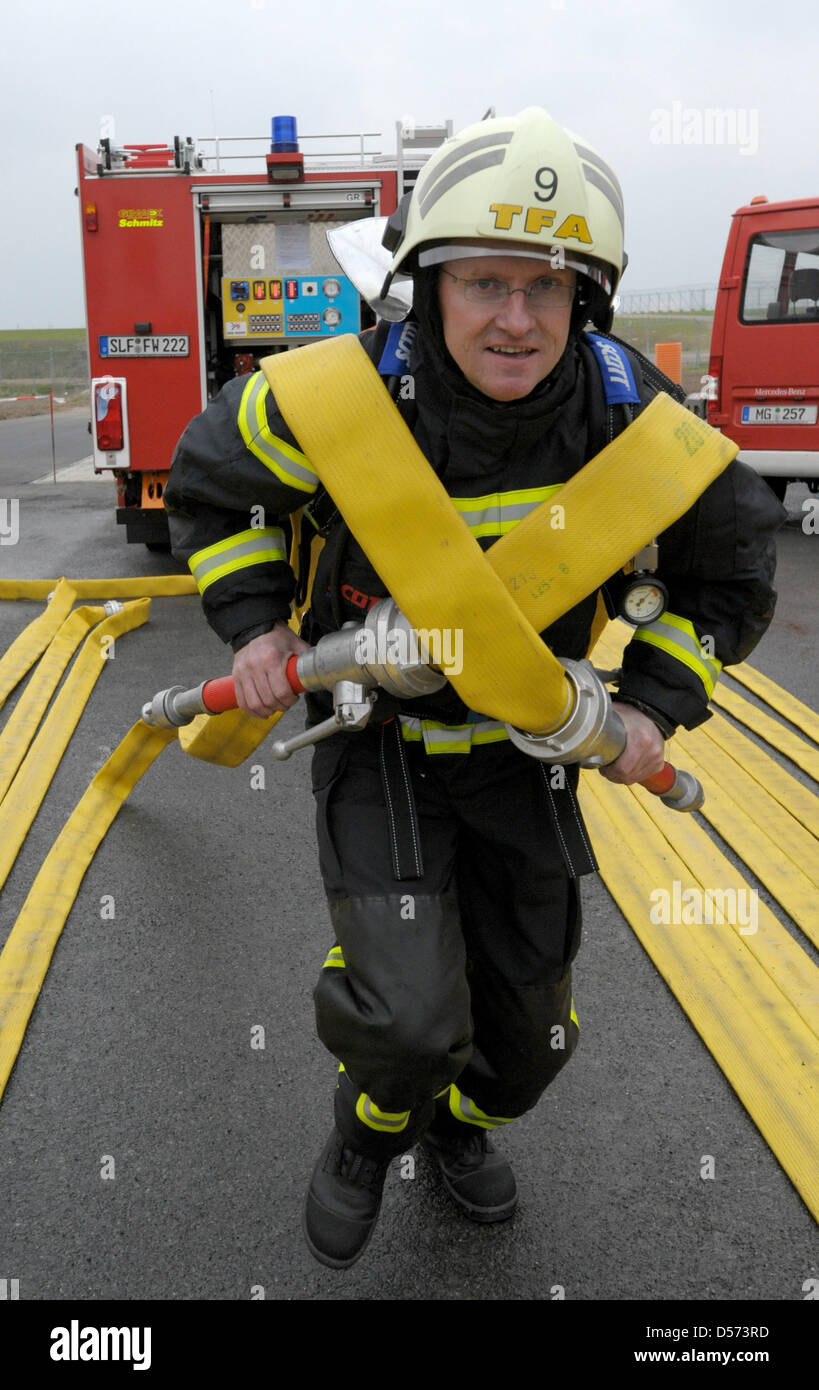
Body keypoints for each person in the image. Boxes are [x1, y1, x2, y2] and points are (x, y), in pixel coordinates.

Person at [164, 107, 783, 1270]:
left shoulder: (623, 411)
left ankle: (457, 1127)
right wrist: (251, 622)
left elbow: (733, 564)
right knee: (407, 1018)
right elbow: (210, 487)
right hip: (378, 741)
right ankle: (367, 1129)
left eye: (547, 288)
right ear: (428, 285)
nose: (516, 317)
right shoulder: (337, 397)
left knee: (531, 1042)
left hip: (526, 756)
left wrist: (650, 701)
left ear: (585, 299)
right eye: (486, 281)